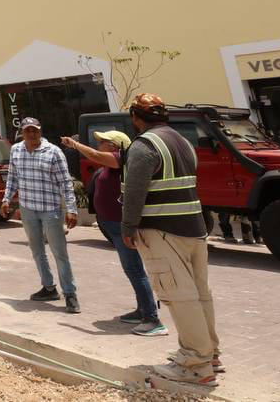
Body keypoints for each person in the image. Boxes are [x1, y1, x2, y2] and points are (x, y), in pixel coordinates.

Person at [121, 93, 220, 387]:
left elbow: (135, 191)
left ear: (136, 117)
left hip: (162, 231)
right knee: (200, 294)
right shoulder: (182, 142)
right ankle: (210, 353)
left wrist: (128, 227)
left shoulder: (145, 145)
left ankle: (195, 364)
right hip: (193, 228)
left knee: (178, 296)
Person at [62, 130, 166, 336]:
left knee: (135, 270)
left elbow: (95, 155)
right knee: (133, 269)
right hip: (112, 225)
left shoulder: (121, 159)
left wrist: (75, 146)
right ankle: (142, 310)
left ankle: (152, 319)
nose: (98, 144)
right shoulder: (110, 165)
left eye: (103, 141)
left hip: (121, 226)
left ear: (114, 146)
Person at [1, 117, 80, 314]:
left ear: (40, 131)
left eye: (34, 130)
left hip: (50, 209)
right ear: (22, 132)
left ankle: (70, 293)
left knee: (59, 252)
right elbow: (13, 177)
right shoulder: (16, 150)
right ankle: (49, 287)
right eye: (28, 131)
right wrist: (6, 199)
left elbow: (65, 183)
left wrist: (71, 209)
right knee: (37, 251)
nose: (31, 134)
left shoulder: (53, 152)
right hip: (28, 209)